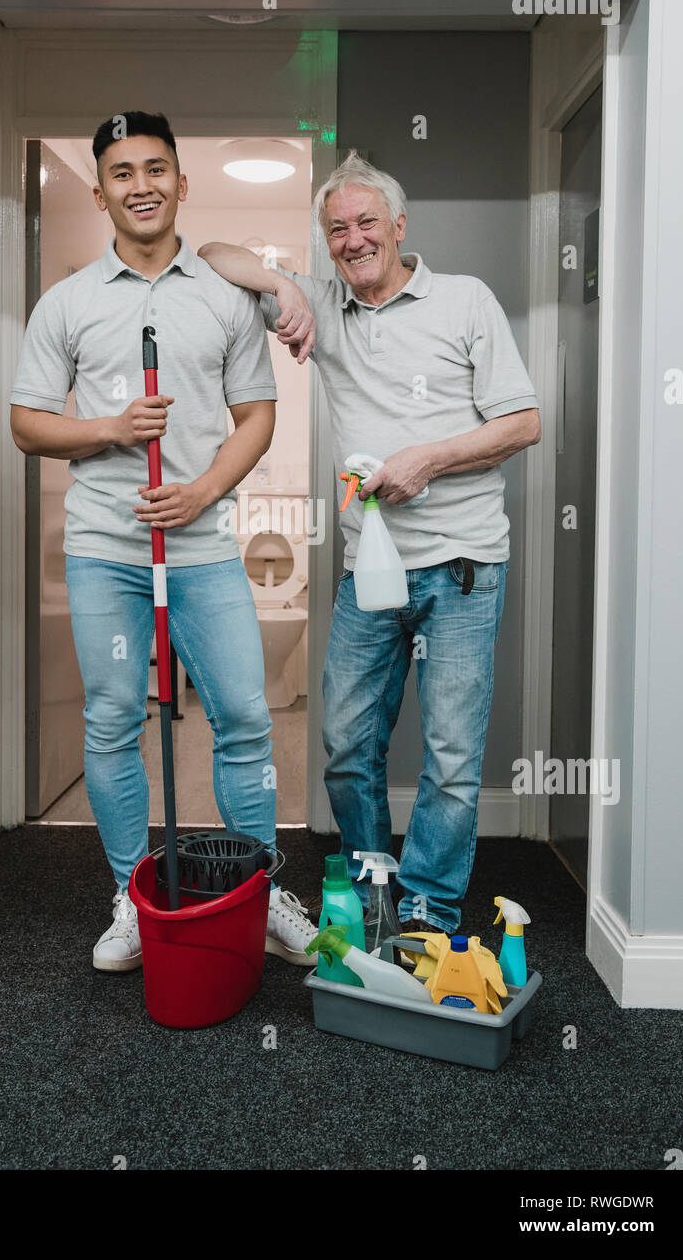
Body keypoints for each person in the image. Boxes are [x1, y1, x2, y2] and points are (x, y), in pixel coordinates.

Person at [199, 150, 541, 935]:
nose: (352, 240)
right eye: (336, 230)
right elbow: (213, 254)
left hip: (462, 567)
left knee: (451, 759)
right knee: (347, 742)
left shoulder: (464, 301)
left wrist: (430, 459)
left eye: (365, 223)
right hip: (368, 572)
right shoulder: (322, 305)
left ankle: (427, 909)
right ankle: (371, 888)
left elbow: (523, 422)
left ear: (399, 225)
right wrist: (283, 284)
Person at [9, 111, 318, 970]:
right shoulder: (65, 303)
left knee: (247, 718)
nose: (139, 184)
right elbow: (26, 424)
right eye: (120, 172)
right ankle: (132, 897)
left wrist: (205, 491)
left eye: (156, 168)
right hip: (105, 548)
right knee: (112, 719)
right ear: (101, 189)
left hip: (207, 547)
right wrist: (110, 427)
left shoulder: (225, 293)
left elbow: (258, 416)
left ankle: (256, 894)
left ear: (181, 183)